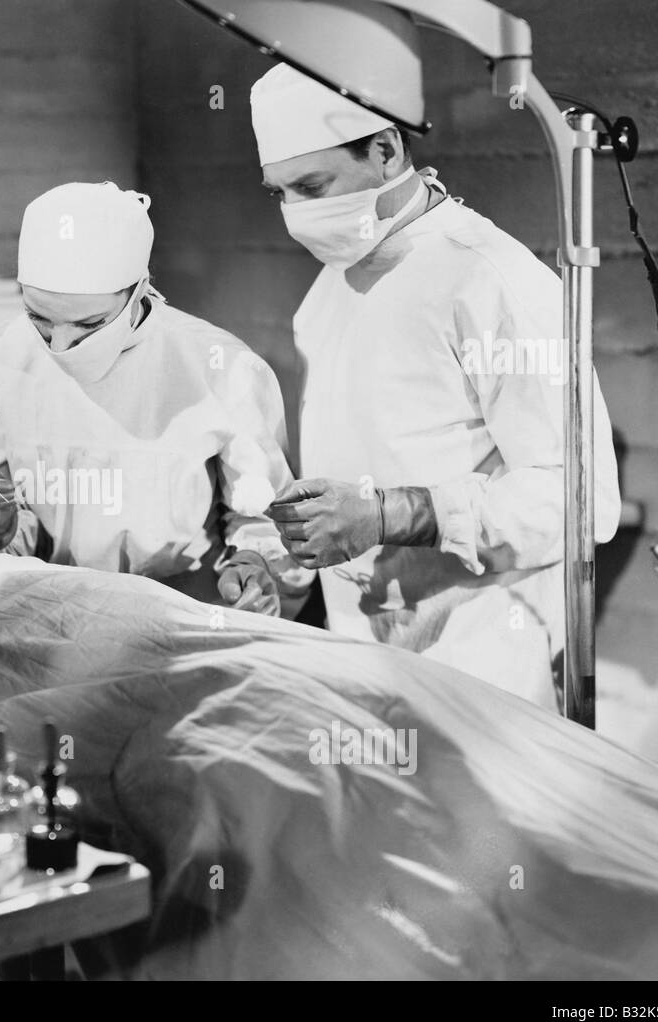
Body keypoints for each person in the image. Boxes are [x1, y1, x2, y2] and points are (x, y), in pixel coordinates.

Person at [248, 63, 621, 710]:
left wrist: (392, 515)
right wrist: (293, 560)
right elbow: (364, 462)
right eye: (278, 194)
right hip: (369, 662)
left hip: (483, 674)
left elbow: (582, 501)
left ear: (387, 148)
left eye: (312, 186)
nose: (297, 216)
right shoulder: (334, 284)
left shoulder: (491, 281)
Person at [0, 181, 304, 615]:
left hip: (182, 610)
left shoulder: (220, 368)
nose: (60, 346)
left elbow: (263, 517)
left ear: (139, 291)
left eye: (90, 324)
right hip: (46, 609)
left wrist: (253, 564)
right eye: (39, 319)